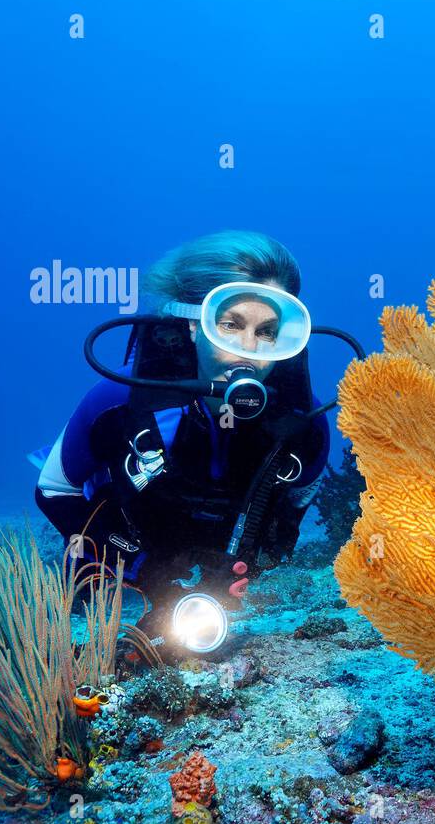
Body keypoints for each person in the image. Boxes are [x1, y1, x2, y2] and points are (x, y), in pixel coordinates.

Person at [33, 232, 334, 647]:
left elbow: (294, 504)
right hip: (123, 550)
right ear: (194, 325)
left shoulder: (306, 425)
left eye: (267, 332)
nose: (249, 350)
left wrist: (250, 560)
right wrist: (142, 570)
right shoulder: (116, 402)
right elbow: (53, 489)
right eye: (230, 324)